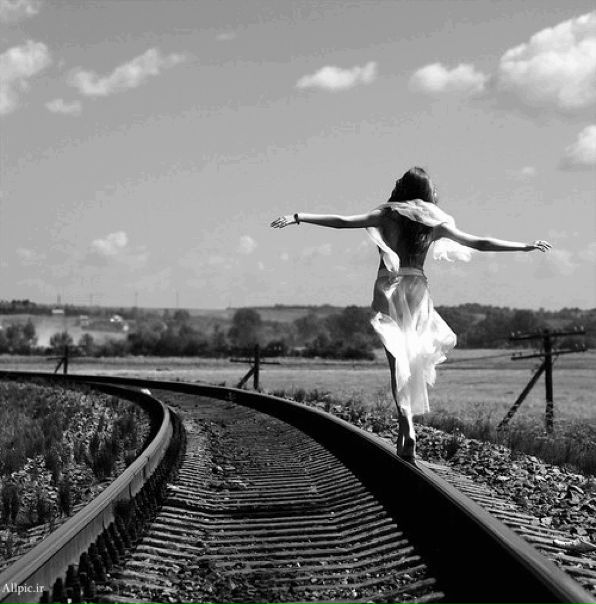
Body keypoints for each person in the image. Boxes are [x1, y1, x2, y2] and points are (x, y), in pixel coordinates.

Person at [270, 167, 551, 463]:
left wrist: (298, 217)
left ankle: (407, 426)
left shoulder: (387, 215)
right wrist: (524, 246)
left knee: (396, 362)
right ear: (426, 192)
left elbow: (342, 222)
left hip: (388, 286)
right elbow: (479, 242)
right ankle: (408, 429)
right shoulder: (433, 222)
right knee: (412, 356)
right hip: (417, 288)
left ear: (403, 188)